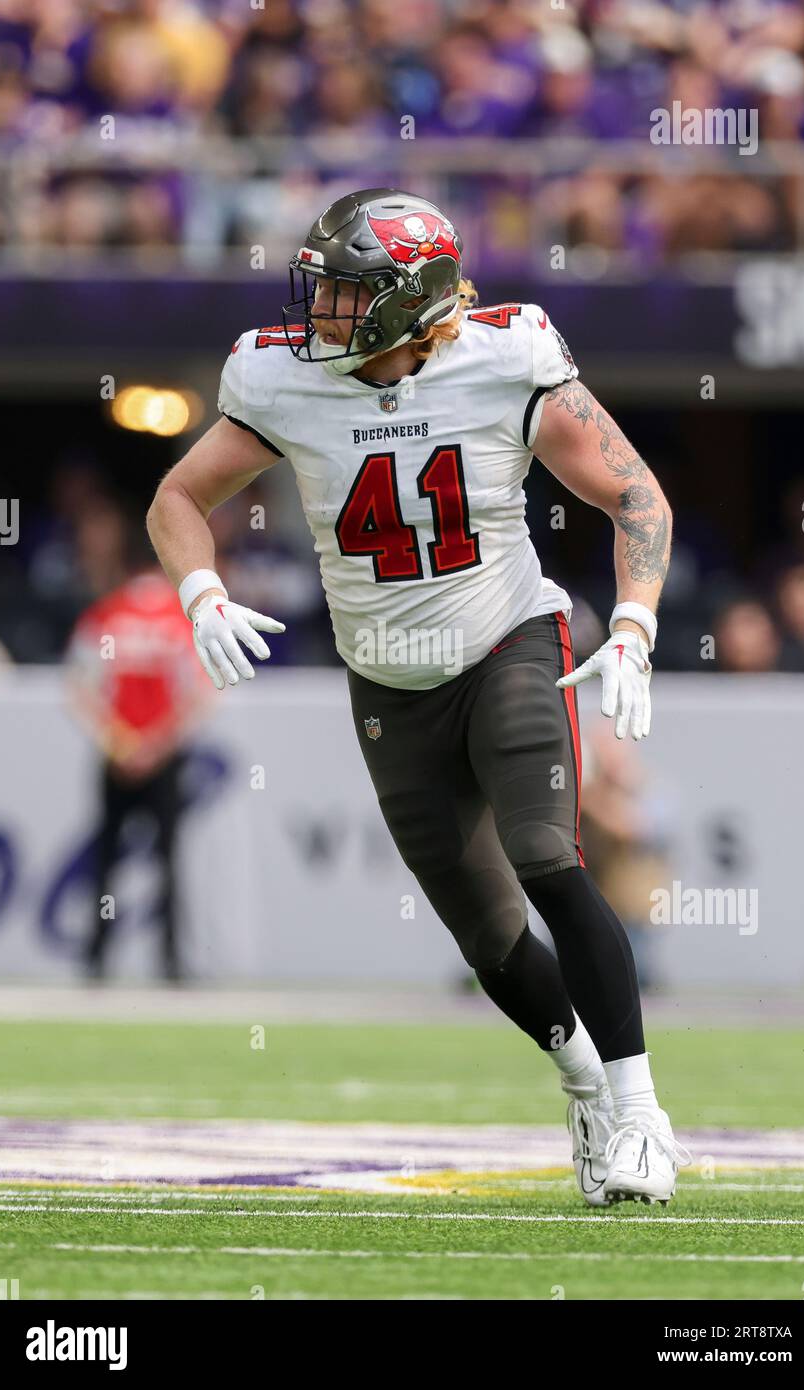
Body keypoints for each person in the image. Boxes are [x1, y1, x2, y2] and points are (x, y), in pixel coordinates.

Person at [147, 187, 690, 1205]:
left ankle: (641, 1115)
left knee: (547, 858)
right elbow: (177, 497)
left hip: (506, 643)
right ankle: (582, 1081)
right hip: (387, 681)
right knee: (485, 936)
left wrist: (633, 625)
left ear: (409, 300)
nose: (322, 312)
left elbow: (633, 494)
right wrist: (200, 588)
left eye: (348, 294)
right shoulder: (276, 374)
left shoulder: (507, 355)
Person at [67, 561, 211, 981]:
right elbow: (201, 694)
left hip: (118, 755)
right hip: (162, 759)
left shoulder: (107, 613)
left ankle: (95, 961)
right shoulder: (179, 618)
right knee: (168, 862)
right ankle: (172, 965)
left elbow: (77, 687)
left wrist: (118, 742)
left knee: (107, 859)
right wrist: (157, 745)